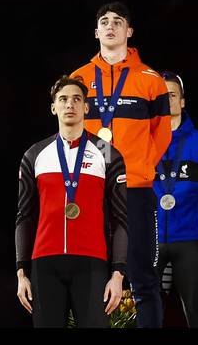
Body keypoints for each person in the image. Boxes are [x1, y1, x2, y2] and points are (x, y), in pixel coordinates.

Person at [70, 3, 171, 328]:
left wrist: (139, 167)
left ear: (129, 31)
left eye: (118, 21)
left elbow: (163, 133)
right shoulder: (79, 79)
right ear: (96, 32)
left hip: (137, 190)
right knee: (90, 275)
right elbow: (70, 130)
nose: (110, 26)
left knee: (143, 278)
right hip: (92, 189)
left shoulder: (151, 80)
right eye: (104, 22)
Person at [16, 75, 127, 327]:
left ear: (86, 107)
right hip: (44, 265)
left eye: (77, 99)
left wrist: (118, 274)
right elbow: (24, 216)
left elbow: (122, 219)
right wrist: (21, 272)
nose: (70, 105)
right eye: (63, 99)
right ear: (53, 107)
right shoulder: (35, 154)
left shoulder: (108, 153)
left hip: (92, 265)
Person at [154, 72, 198, 328]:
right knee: (143, 316)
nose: (167, 100)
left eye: (172, 95)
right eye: (162, 96)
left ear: (182, 101)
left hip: (191, 241)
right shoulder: (141, 143)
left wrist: (193, 222)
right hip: (152, 243)